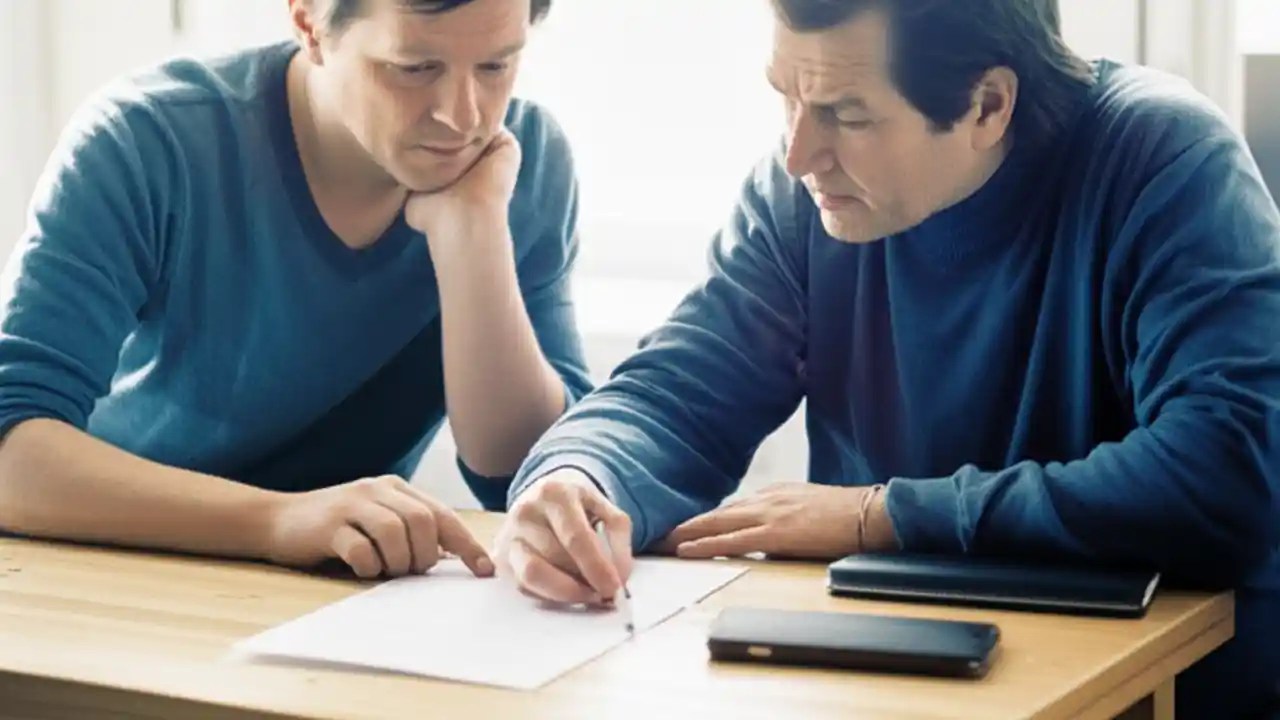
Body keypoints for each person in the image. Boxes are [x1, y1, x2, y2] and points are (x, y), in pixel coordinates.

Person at [495, 1, 1280, 716]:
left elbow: (1230, 472)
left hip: (1166, 693)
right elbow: (675, 398)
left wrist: (881, 516)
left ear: (988, 105)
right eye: (786, 96)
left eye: (845, 115)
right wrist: (577, 476)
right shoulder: (806, 203)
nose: (800, 153)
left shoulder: (1165, 160)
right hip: (893, 683)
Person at [0, 0, 592, 582]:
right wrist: (279, 521)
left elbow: (527, 474)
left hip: (328, 592)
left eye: (496, 67)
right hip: (110, 572)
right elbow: (12, 446)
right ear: (309, 23)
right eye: (415, 68)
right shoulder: (148, 141)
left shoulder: (520, 162)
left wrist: (474, 235)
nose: (463, 117)